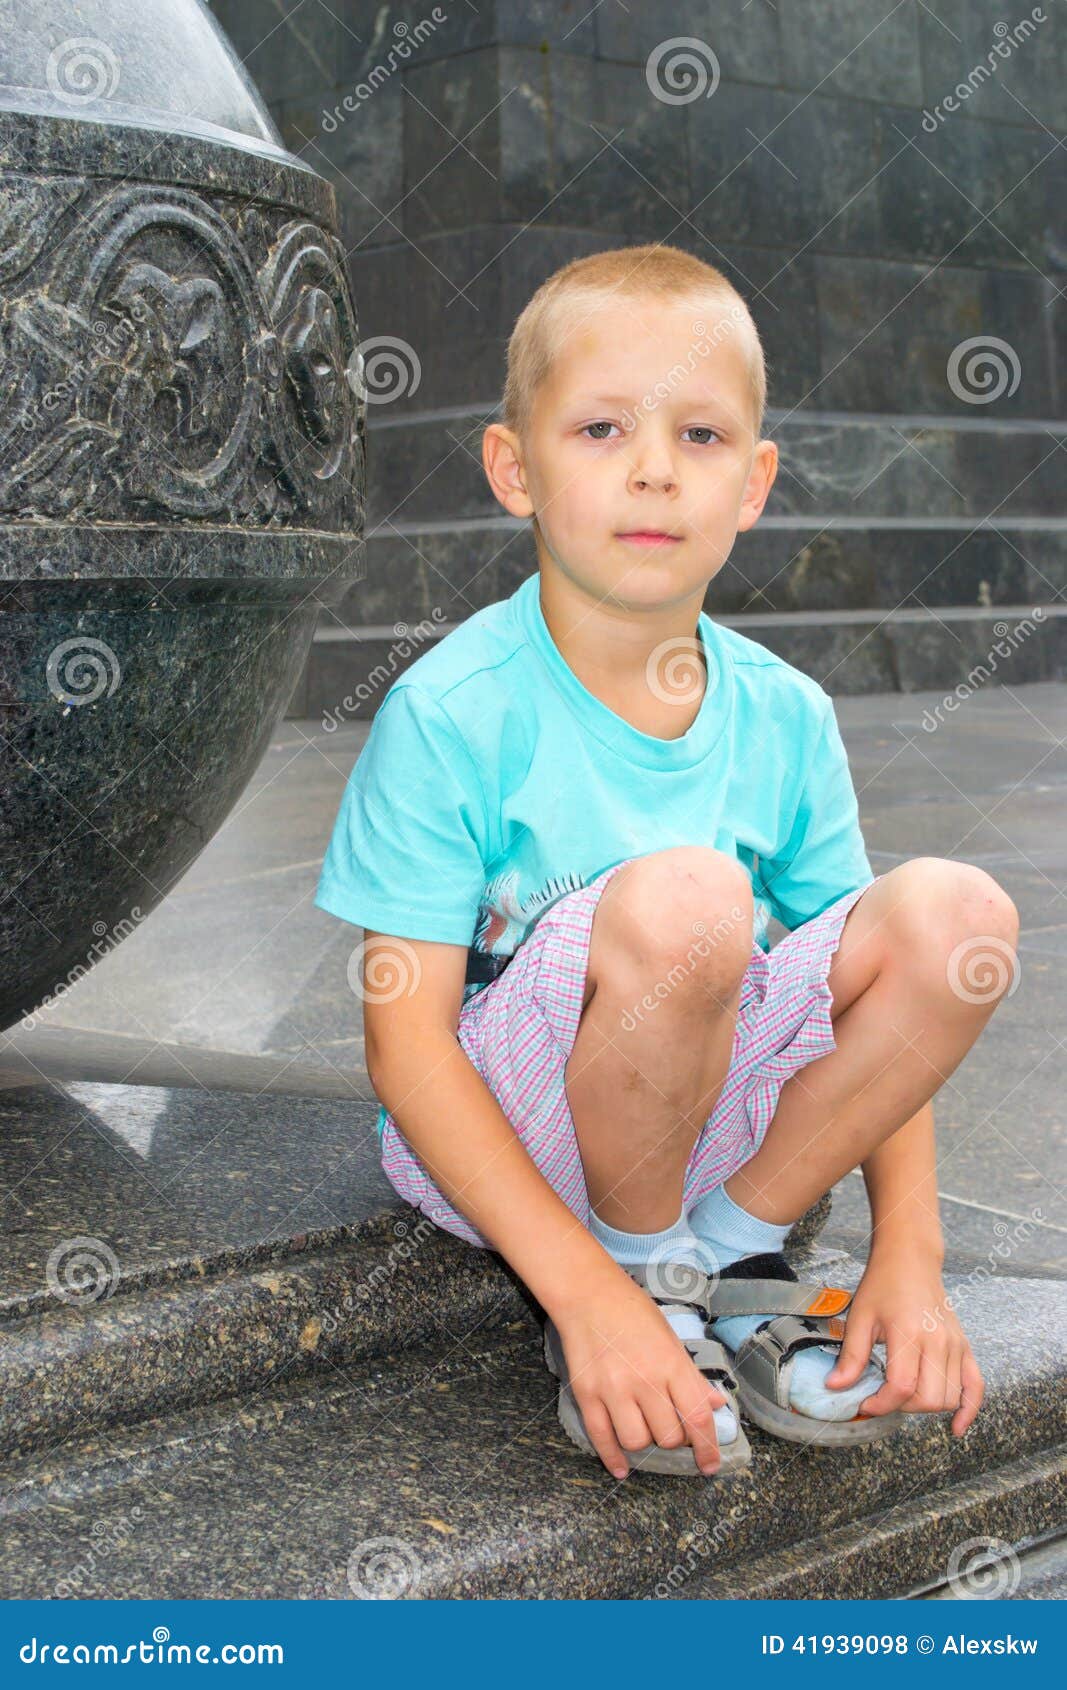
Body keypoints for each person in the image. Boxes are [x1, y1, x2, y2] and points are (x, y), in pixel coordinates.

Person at [314, 243, 1018, 1481]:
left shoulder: (782, 712)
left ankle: (731, 1258)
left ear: (751, 484)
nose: (650, 468)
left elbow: (863, 972)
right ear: (512, 468)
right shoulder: (452, 711)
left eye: (698, 438)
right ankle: (642, 1290)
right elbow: (404, 1045)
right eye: (598, 429)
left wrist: (909, 1252)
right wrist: (586, 1297)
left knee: (954, 913)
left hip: (698, 1116)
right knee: (695, 896)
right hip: (495, 1129)